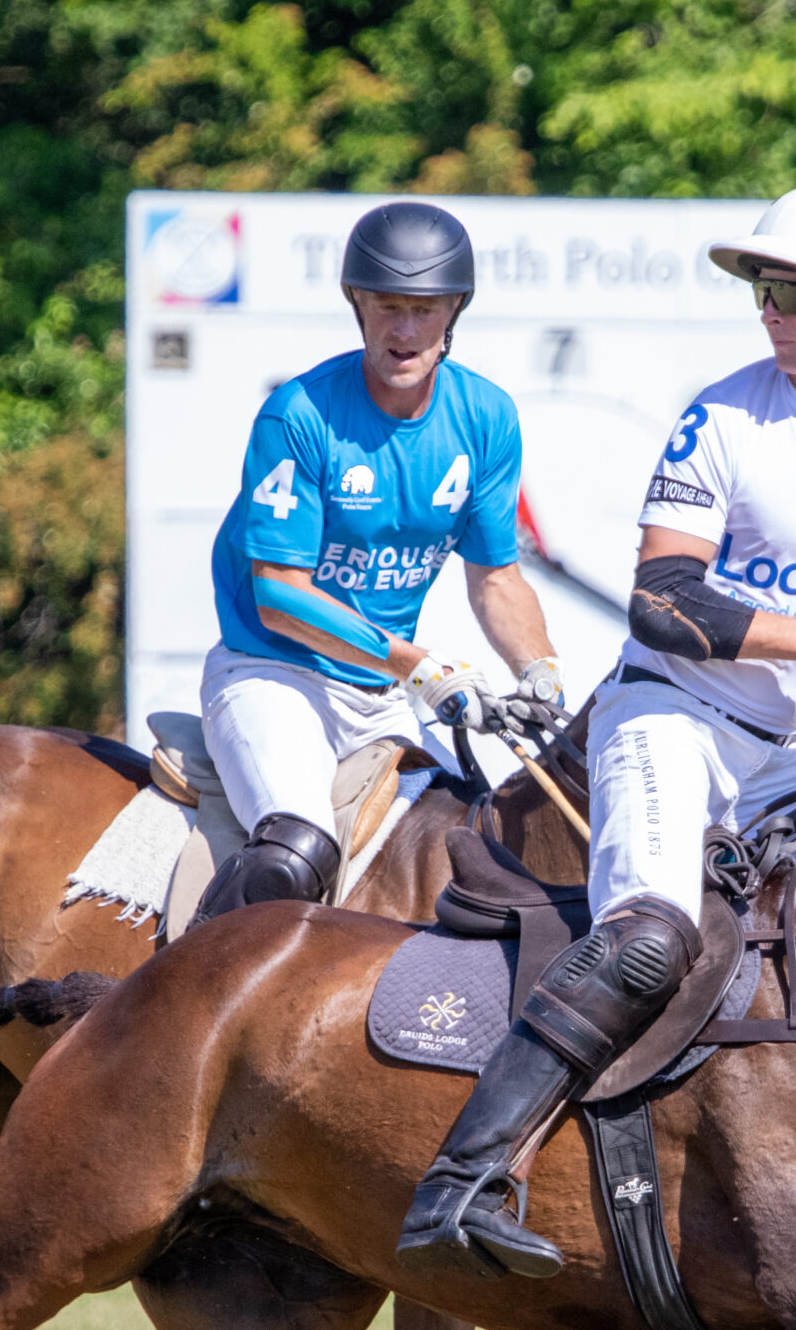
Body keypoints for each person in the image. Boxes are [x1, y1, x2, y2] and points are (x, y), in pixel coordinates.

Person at [398, 183, 796, 1281]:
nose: (767, 308)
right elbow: (662, 600)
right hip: (667, 714)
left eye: (792, 291)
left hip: (778, 748)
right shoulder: (725, 418)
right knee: (651, 935)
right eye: (762, 288)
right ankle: (462, 1178)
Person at [193, 201, 567, 920]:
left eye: (424, 309)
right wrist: (419, 664)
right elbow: (278, 594)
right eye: (387, 307)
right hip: (273, 672)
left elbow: (496, 579)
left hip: (384, 692)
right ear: (356, 306)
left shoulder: (486, 417)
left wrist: (540, 669)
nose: (404, 330)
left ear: (454, 311)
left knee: (488, 847)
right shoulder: (298, 414)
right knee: (295, 850)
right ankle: (173, 1011)